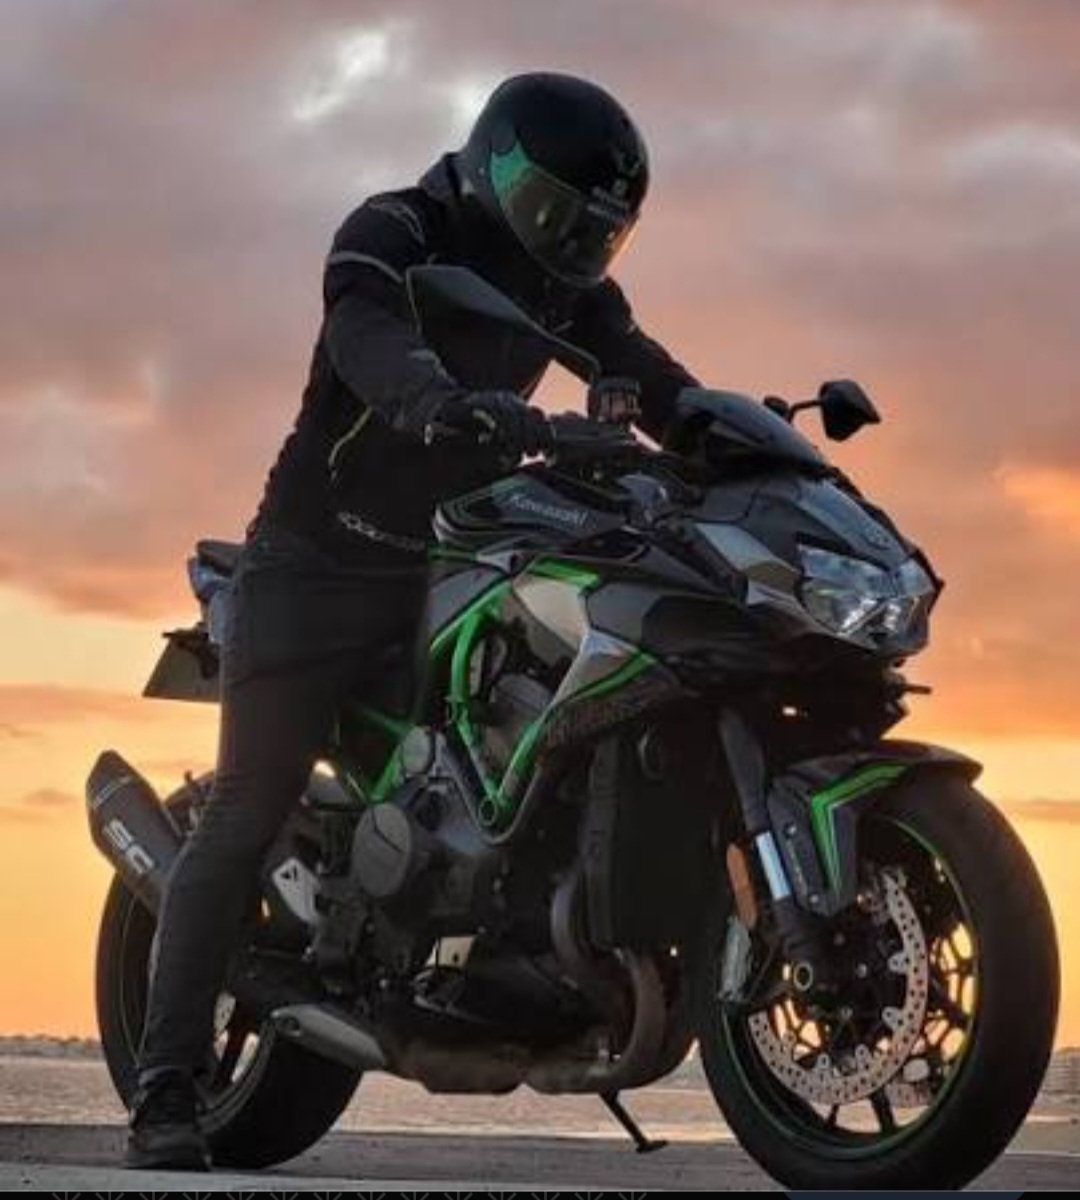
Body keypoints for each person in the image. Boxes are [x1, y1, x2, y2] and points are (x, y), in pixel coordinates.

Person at [126, 71, 698, 1171]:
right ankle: (163, 1091)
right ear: (496, 170)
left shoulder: (567, 289)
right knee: (245, 811)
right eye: (556, 217)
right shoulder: (394, 229)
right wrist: (438, 400)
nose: (571, 247)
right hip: (315, 565)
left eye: (596, 232)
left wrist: (734, 436)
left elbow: (651, 375)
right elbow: (369, 334)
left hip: (447, 563)